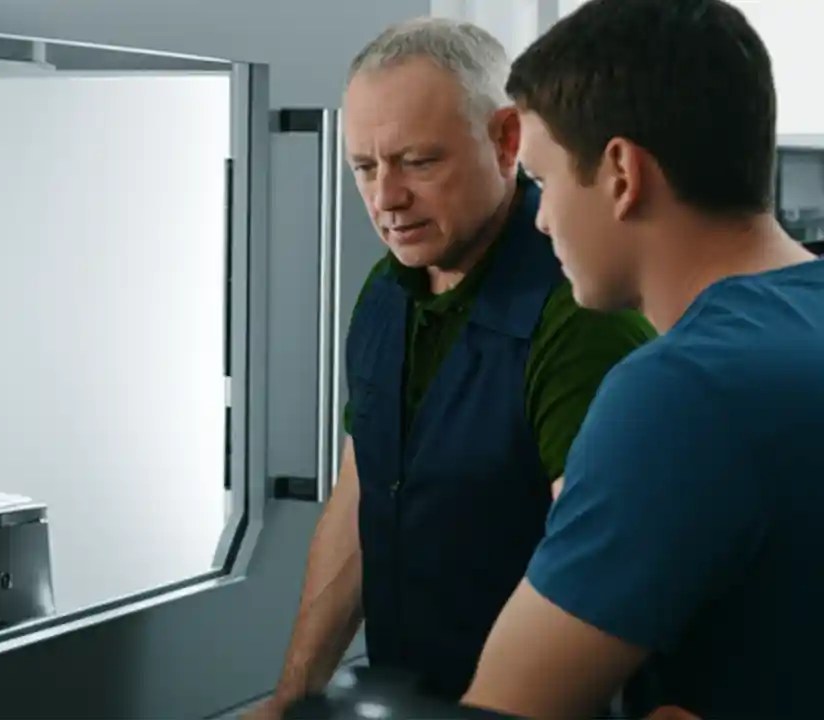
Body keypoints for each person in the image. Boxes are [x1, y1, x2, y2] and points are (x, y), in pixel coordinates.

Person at [251, 18, 656, 717]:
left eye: (417, 161)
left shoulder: (578, 309)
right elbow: (361, 500)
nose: (386, 199)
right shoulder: (384, 294)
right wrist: (291, 700)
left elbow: (606, 572)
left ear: (507, 141)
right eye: (366, 168)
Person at [462, 1, 824, 718]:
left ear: (622, 173)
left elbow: (504, 710)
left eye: (541, 181)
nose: (538, 217)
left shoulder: (682, 393)